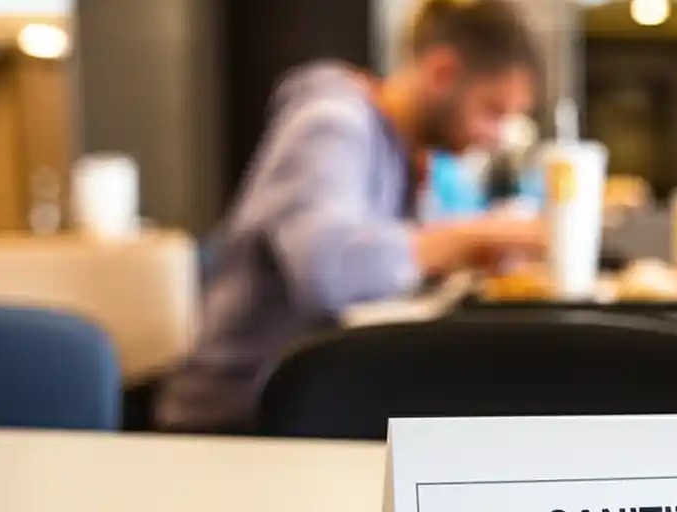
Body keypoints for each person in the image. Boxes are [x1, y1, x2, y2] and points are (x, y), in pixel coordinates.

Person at [157, 0, 546, 433]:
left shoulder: (408, 155)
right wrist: (475, 237)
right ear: (441, 73)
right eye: (493, 112)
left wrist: (468, 251)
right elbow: (330, 272)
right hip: (236, 422)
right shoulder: (331, 122)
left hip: (314, 407)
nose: (496, 138)